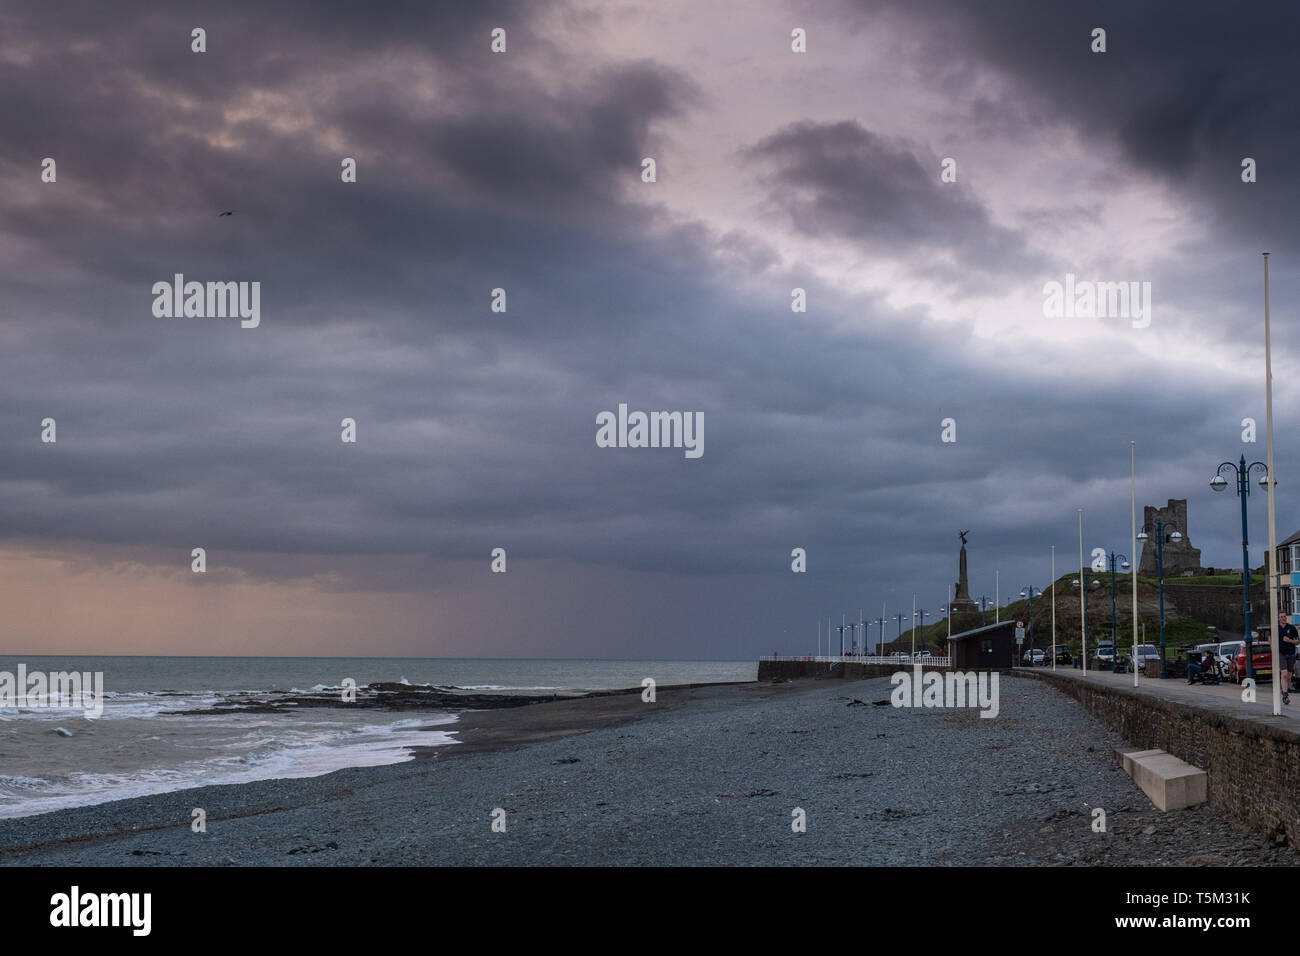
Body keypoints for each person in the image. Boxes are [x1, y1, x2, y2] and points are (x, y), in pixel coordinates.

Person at [1279, 613, 1300, 704]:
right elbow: (1270, 638)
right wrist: (1272, 649)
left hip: (1291, 653)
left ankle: (1284, 689)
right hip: (1281, 653)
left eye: (1284, 616)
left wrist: (1290, 640)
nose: (1283, 618)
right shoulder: (1276, 628)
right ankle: (1285, 695)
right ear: (1278, 618)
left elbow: (1298, 641)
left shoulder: (1291, 628)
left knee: (1289, 676)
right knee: (1283, 673)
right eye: (1281, 617)